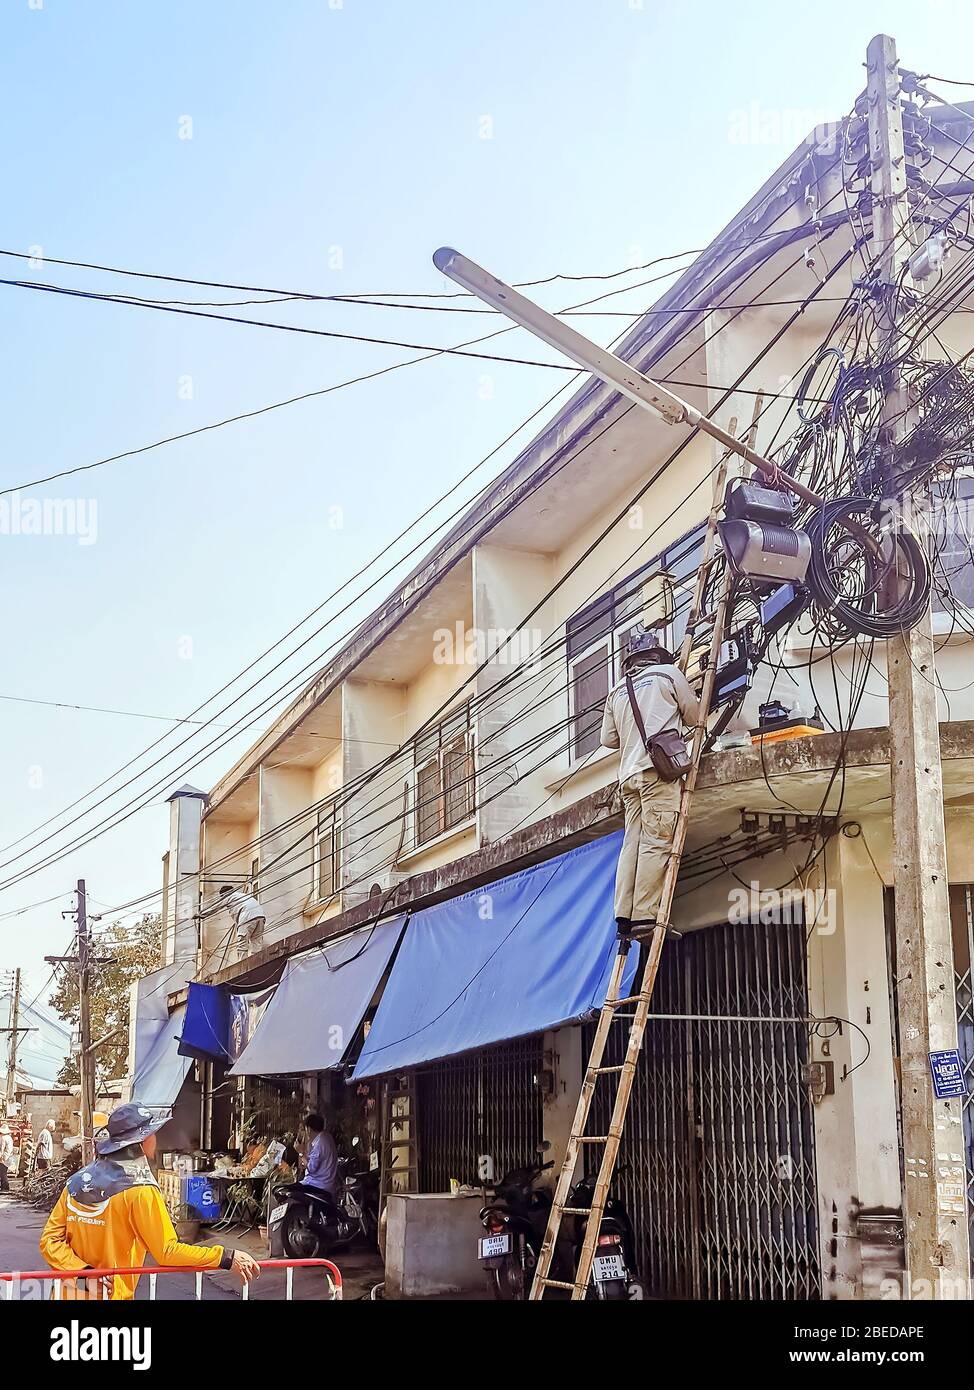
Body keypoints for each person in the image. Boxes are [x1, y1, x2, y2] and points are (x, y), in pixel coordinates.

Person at [40, 1102, 260, 1301]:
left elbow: (49, 1241)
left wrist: (85, 1273)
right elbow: (167, 1251)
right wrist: (226, 1257)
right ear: (142, 1141)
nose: (155, 1139)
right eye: (153, 1134)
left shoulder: (76, 1182)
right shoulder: (141, 1189)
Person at [600, 630, 699, 941]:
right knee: (657, 842)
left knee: (632, 844)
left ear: (631, 661)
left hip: (628, 777)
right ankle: (645, 916)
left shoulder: (616, 690)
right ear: (657, 655)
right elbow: (695, 715)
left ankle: (623, 917)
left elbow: (607, 739)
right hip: (659, 772)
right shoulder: (670, 674)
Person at [219, 884, 267, 960]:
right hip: (260, 916)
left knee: (242, 942)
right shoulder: (243, 896)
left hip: (247, 917)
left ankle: (242, 963)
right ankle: (256, 961)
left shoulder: (229, 896)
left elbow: (215, 906)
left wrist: (200, 914)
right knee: (257, 942)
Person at [300, 1113, 339, 1198]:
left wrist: (300, 1153)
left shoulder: (320, 1144)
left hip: (318, 1185)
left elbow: (311, 1168)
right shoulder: (326, 1136)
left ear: (309, 1129)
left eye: (305, 1129)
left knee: (287, 1191)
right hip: (326, 1183)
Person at [0, 1124, 13, 1192]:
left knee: (2, 1173)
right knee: (3, 1172)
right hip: (9, 1157)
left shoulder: (3, 1138)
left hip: (4, 1158)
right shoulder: (9, 1138)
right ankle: (3, 1187)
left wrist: (1, 1158)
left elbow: (2, 1149)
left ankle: (5, 1187)